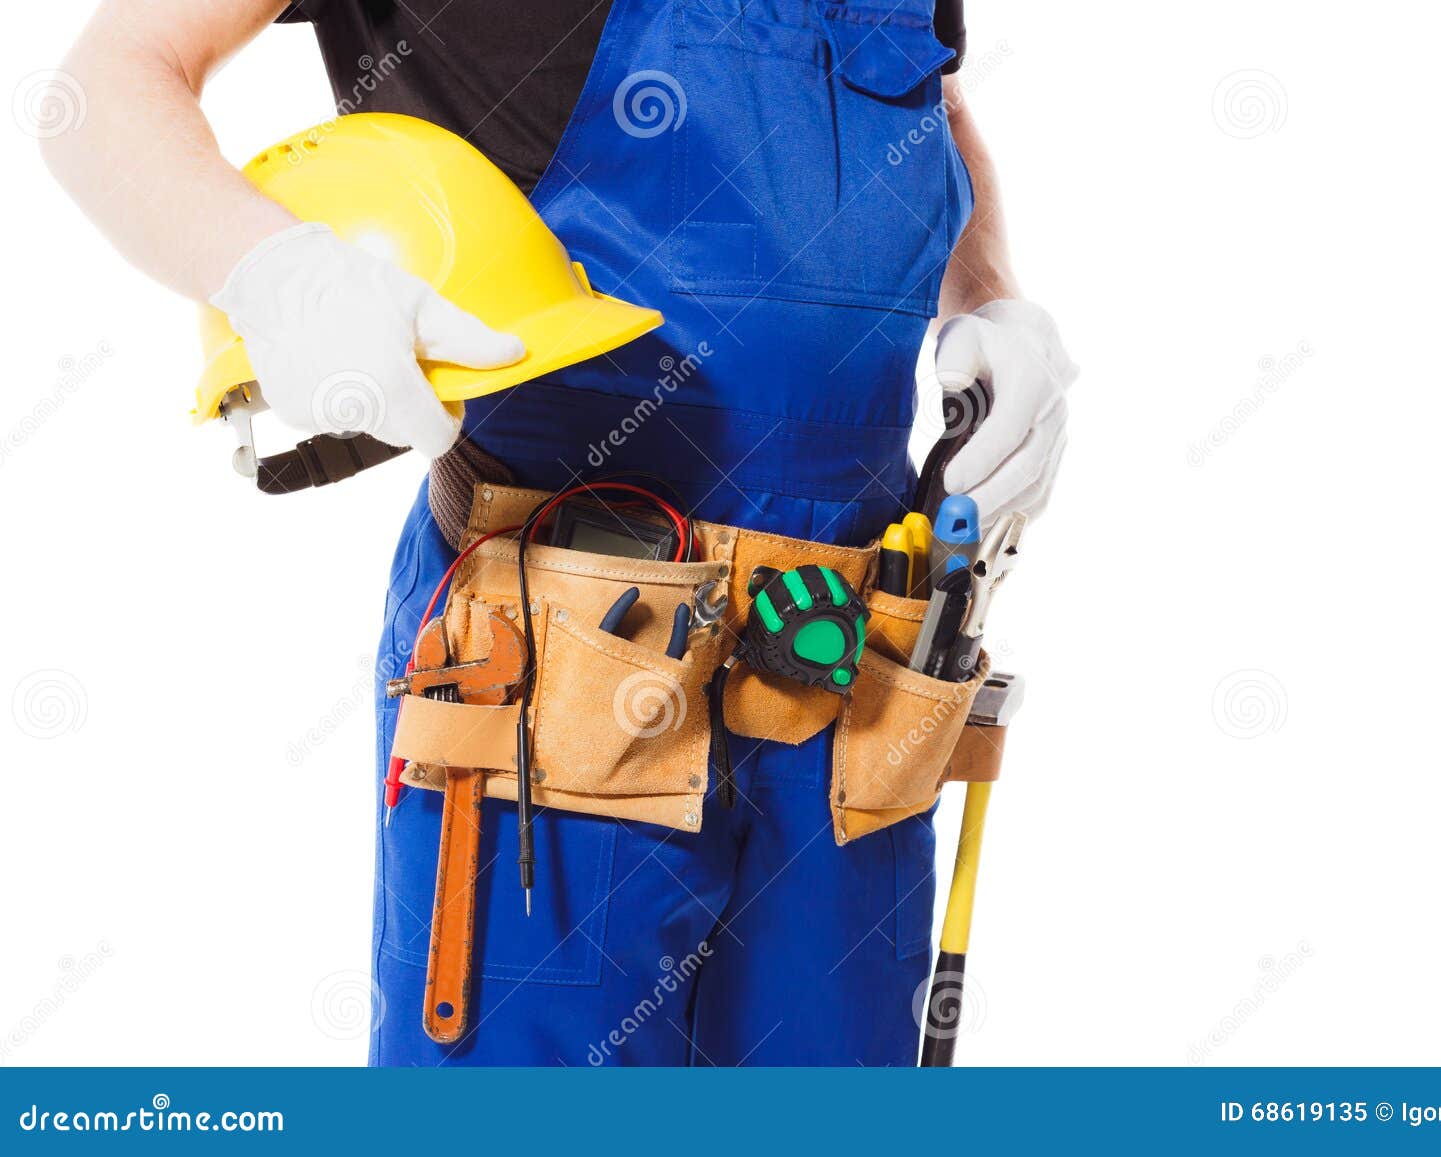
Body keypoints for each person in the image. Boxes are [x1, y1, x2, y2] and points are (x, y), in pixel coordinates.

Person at [43, 0, 1076, 1066]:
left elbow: (931, 96)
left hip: (849, 680)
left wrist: (991, 297)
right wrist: (270, 267)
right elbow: (113, 75)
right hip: (558, 682)